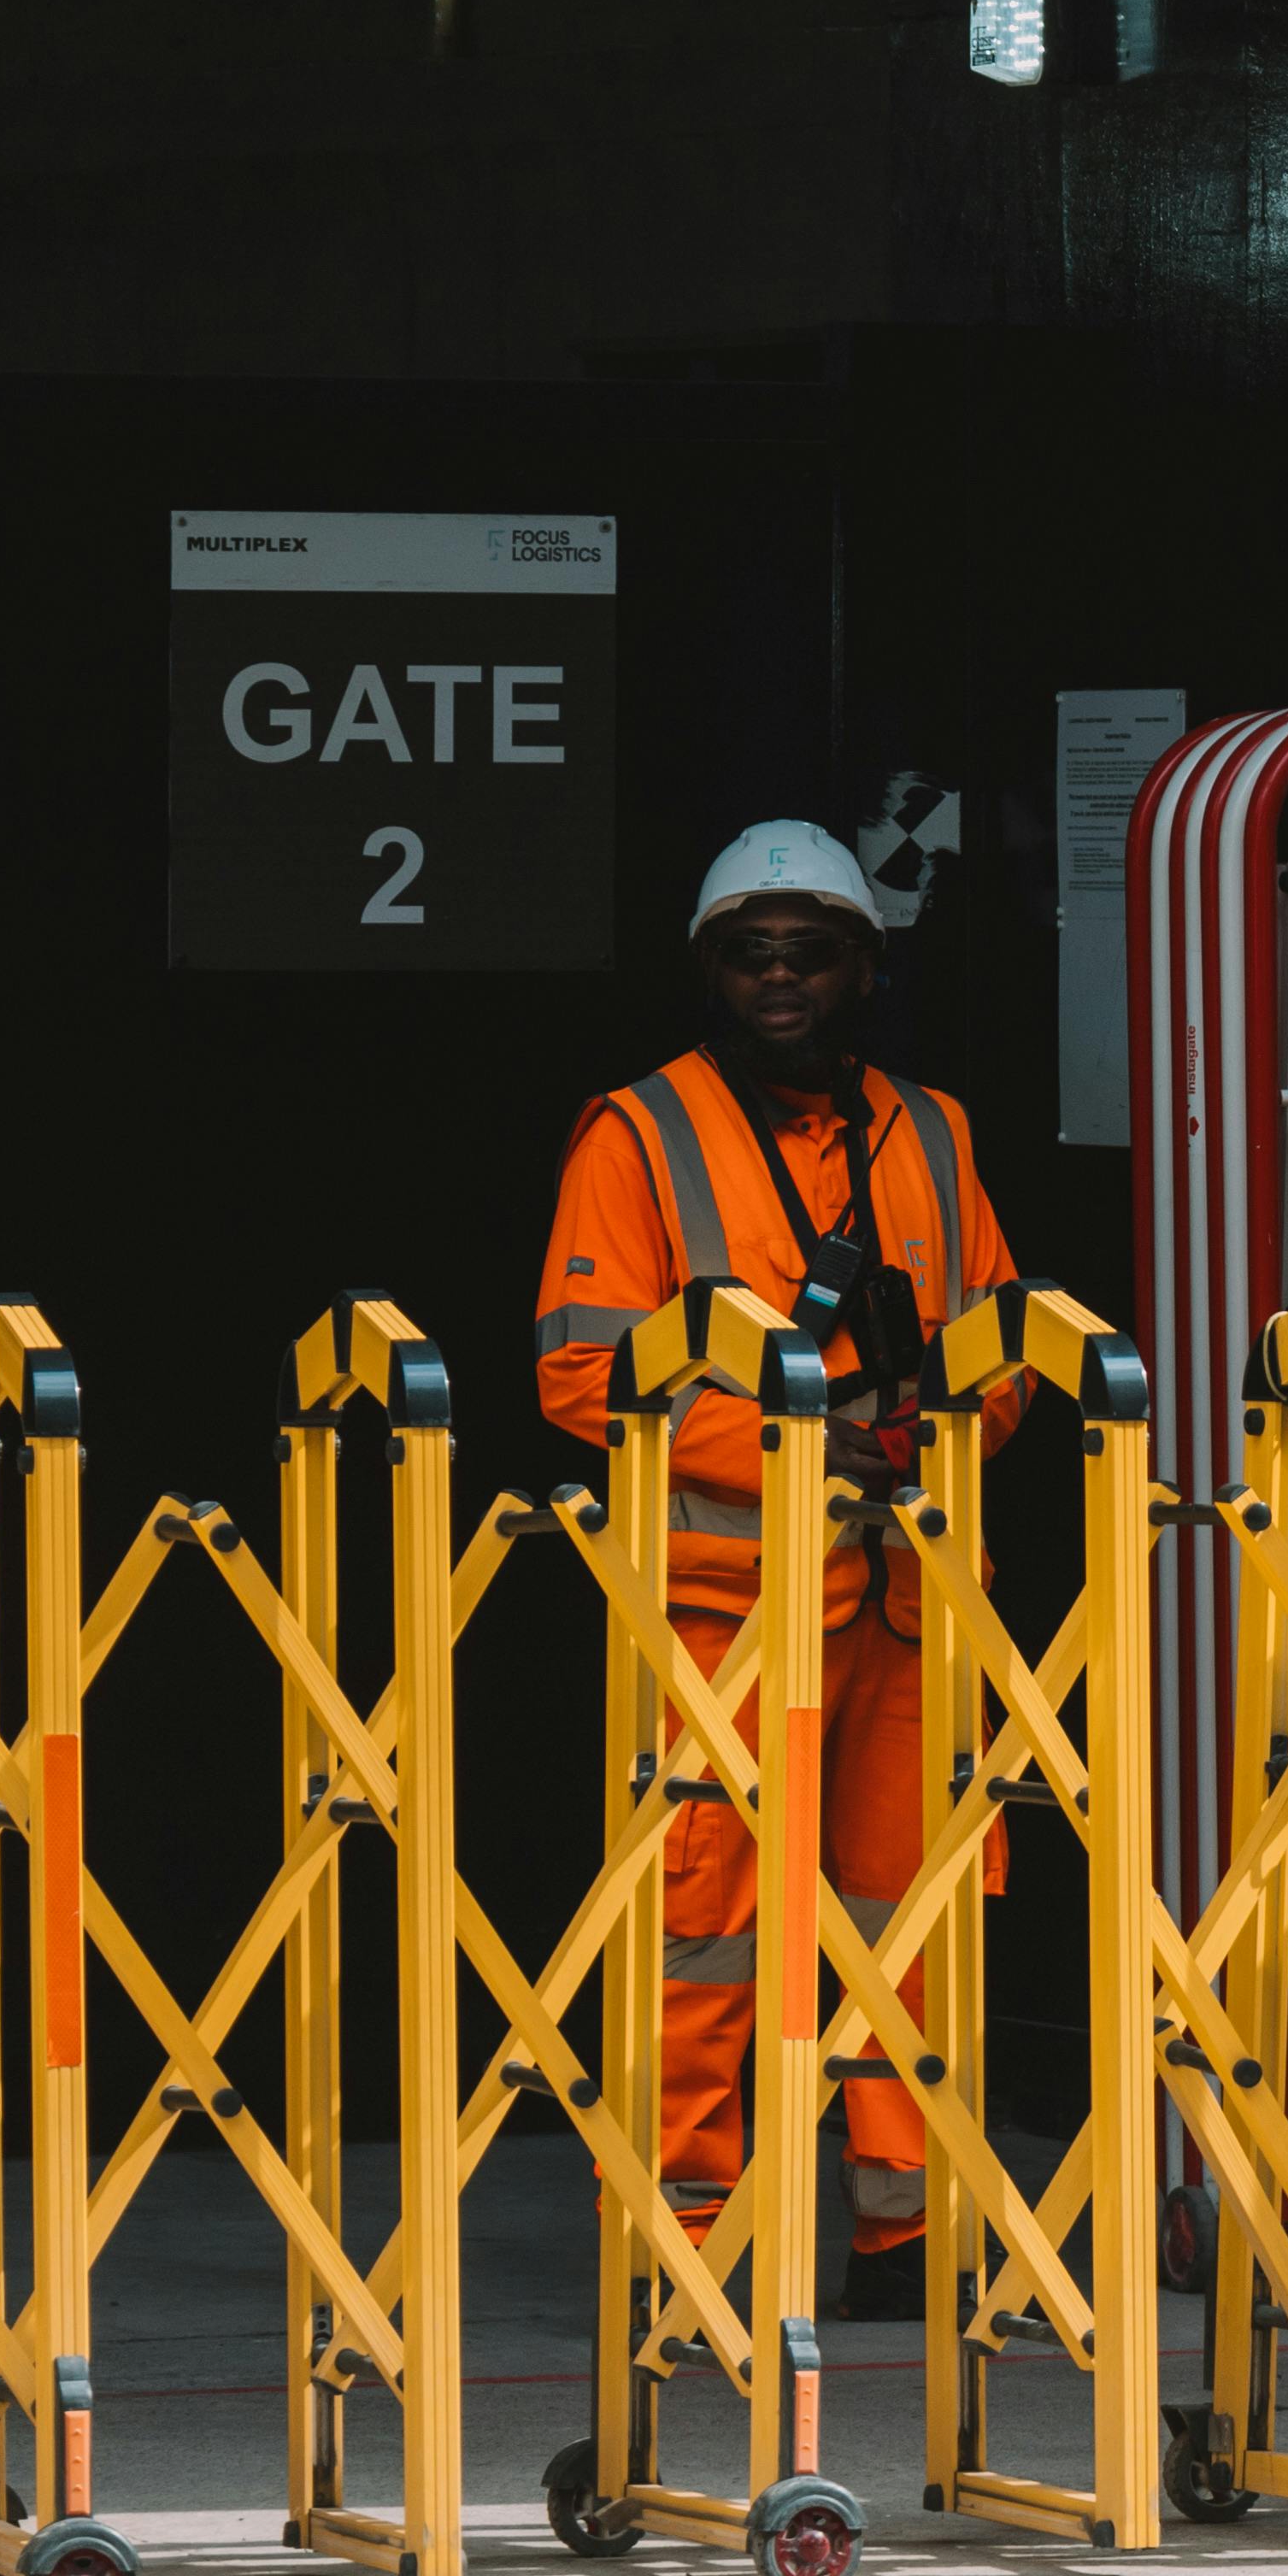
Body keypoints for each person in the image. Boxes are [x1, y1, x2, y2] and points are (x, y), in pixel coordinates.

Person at [533, 820, 1024, 2323]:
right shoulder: (637, 1134)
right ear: (708, 970)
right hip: (725, 1609)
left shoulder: (928, 1131)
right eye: (749, 952)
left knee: (915, 1919)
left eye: (810, 949)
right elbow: (584, 1374)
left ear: (864, 965)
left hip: (908, 1602)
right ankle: (681, 2233)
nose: (779, 977)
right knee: (703, 1932)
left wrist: (933, 1436)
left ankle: (904, 2228)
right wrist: (812, 1448)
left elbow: (1005, 1341)